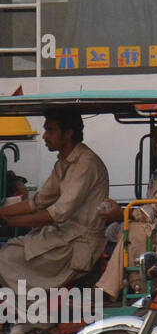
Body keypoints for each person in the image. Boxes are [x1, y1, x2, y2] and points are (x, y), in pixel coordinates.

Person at [0, 109, 109, 296]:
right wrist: (3, 213)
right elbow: (38, 201)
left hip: (79, 243)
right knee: (9, 250)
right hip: (62, 236)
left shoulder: (86, 163)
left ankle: (35, 317)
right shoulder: (63, 162)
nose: (44, 136)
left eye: (50, 130)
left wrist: (11, 222)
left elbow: (57, 213)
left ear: (68, 134)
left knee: (6, 258)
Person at [96, 124, 157, 300]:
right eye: (156, 140)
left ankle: (109, 290)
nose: (155, 145)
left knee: (132, 230)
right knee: (111, 229)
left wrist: (126, 213)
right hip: (152, 224)